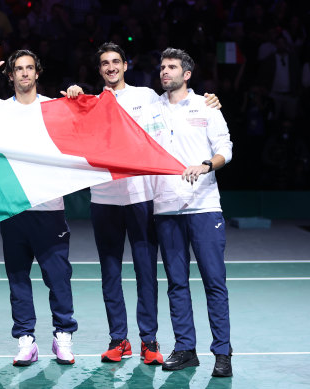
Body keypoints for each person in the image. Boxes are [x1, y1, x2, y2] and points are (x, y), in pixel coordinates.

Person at [65, 42, 220, 366]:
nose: (110, 67)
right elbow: (69, 125)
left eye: (115, 61)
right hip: (104, 199)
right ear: (100, 70)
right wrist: (73, 95)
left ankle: (148, 341)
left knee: (146, 272)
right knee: (110, 273)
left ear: (125, 65)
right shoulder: (91, 103)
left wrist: (209, 100)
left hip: (141, 199)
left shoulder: (147, 97)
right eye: (104, 63)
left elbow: (180, 104)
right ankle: (118, 340)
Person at [0, 43, 77, 366]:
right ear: (11, 75)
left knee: (58, 278)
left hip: (50, 209)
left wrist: (76, 95)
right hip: (13, 208)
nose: (25, 73)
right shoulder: (0, 109)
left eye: (30, 68)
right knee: (18, 279)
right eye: (19, 69)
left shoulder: (54, 106)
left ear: (37, 73)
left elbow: (84, 120)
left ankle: (62, 337)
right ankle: (26, 339)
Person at [144, 47, 233, 377]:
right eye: (162, 67)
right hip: (165, 208)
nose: (165, 71)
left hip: (204, 207)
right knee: (177, 284)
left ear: (187, 74)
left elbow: (225, 148)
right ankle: (185, 349)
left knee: (214, 283)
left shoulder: (205, 106)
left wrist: (206, 164)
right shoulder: (151, 109)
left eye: (171, 67)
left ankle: (222, 353)